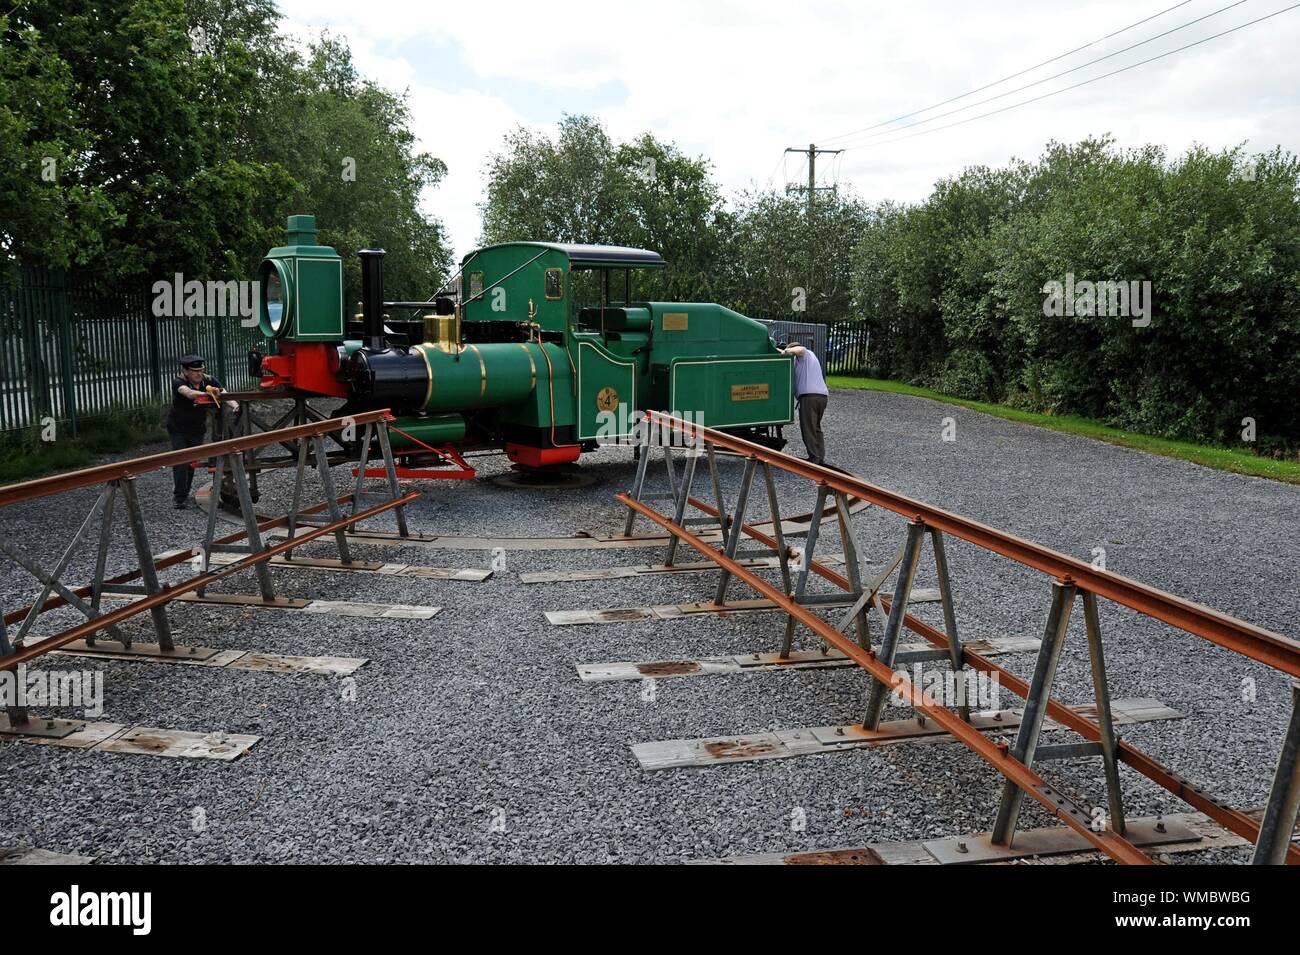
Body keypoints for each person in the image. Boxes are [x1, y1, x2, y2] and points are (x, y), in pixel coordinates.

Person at [165, 355, 237, 509]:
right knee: (181, 459)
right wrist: (208, 394)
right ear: (185, 371)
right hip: (178, 427)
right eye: (194, 371)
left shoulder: (209, 380)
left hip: (197, 428)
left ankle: (185, 492)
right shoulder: (179, 381)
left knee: (191, 461)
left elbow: (225, 394)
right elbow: (189, 393)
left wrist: (235, 406)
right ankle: (179, 497)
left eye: (201, 370)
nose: (198, 374)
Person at [777, 340, 829, 465]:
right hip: (822, 396)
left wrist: (786, 351)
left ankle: (814, 458)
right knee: (816, 428)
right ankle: (820, 456)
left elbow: (800, 350)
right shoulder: (811, 358)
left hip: (809, 397)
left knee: (808, 428)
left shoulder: (804, 354)